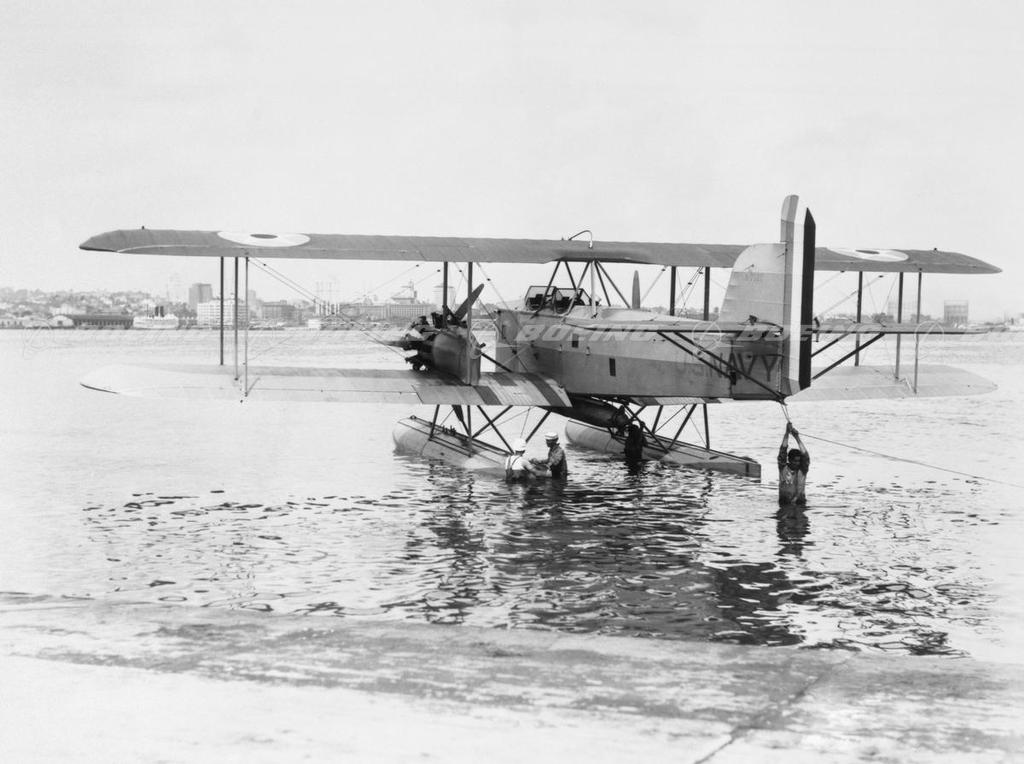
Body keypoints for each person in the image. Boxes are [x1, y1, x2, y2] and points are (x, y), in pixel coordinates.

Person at [778, 422, 810, 505]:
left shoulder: (802, 470)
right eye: (795, 461)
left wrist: (797, 437)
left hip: (800, 503)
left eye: (799, 461)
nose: (797, 463)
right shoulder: (783, 468)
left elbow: (806, 456)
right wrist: (787, 433)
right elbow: (782, 451)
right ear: (790, 460)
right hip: (784, 503)